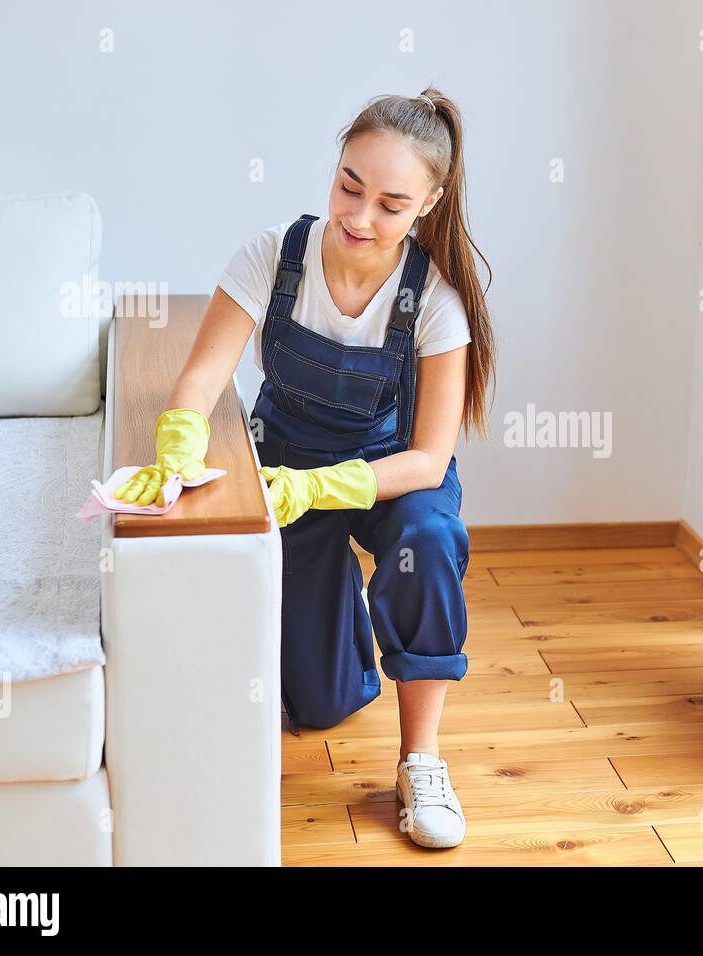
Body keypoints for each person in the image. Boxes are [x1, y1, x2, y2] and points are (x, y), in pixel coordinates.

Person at [112, 88, 496, 849]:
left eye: (391, 204)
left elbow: (429, 457)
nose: (360, 218)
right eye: (349, 186)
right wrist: (179, 444)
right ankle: (341, 626)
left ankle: (421, 759)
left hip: (393, 476)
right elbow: (200, 380)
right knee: (316, 707)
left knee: (428, 544)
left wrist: (325, 488)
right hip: (286, 458)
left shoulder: (437, 301)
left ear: (430, 202)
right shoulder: (273, 256)